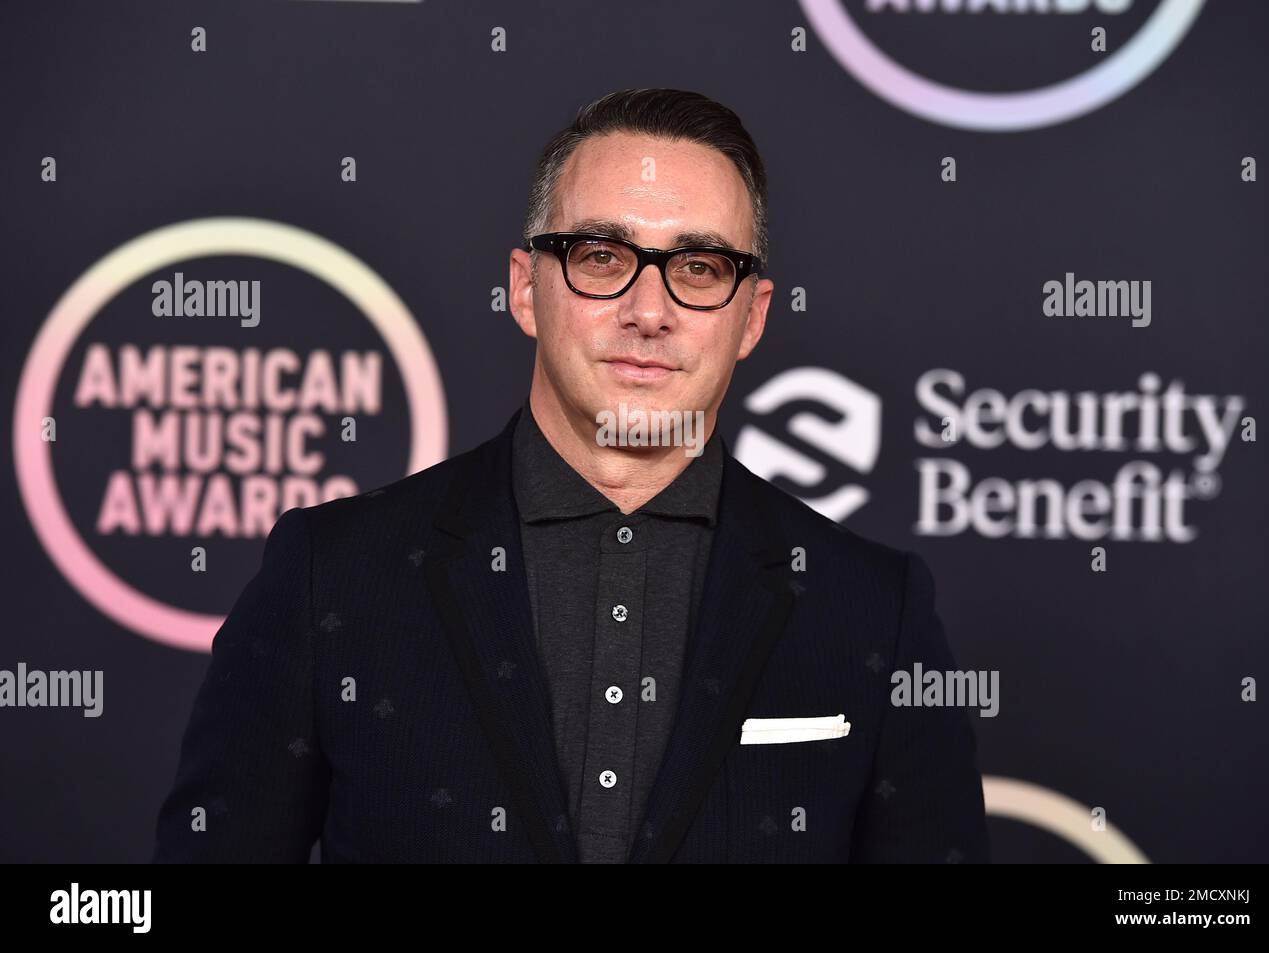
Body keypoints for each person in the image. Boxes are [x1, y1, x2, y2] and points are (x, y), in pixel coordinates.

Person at [152, 87, 990, 863]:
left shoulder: (874, 611)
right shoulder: (331, 573)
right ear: (525, 288)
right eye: (600, 256)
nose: (648, 309)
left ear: (752, 317)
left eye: (698, 267)